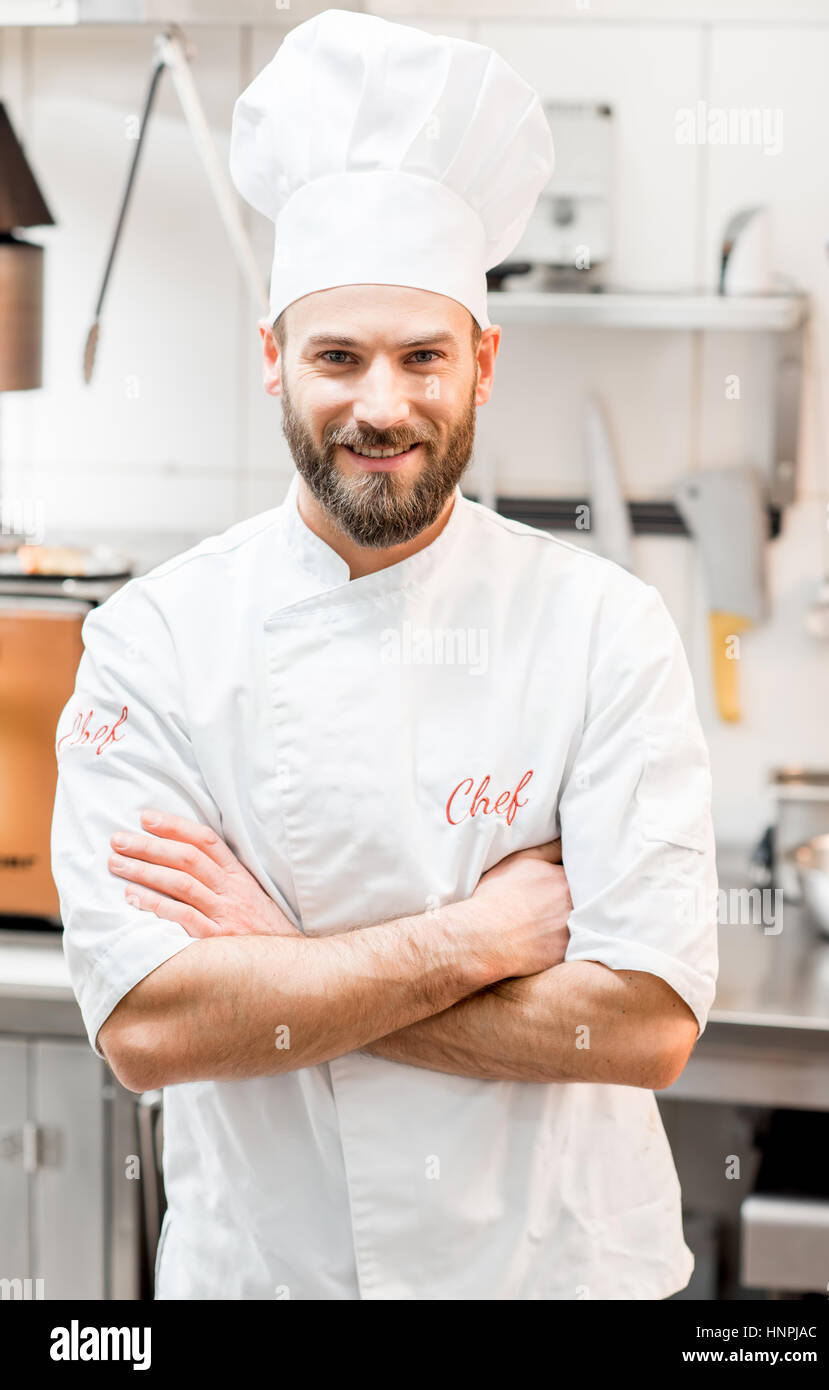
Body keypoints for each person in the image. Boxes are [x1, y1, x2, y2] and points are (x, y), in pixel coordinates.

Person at [51, 9, 718, 1301]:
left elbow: (643, 1025)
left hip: (551, 1276)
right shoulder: (155, 643)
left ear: (484, 360)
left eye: (422, 356)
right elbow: (149, 1025)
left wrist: (284, 962)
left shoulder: (603, 630)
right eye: (337, 356)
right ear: (272, 362)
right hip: (272, 1276)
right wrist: (480, 934)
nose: (380, 404)